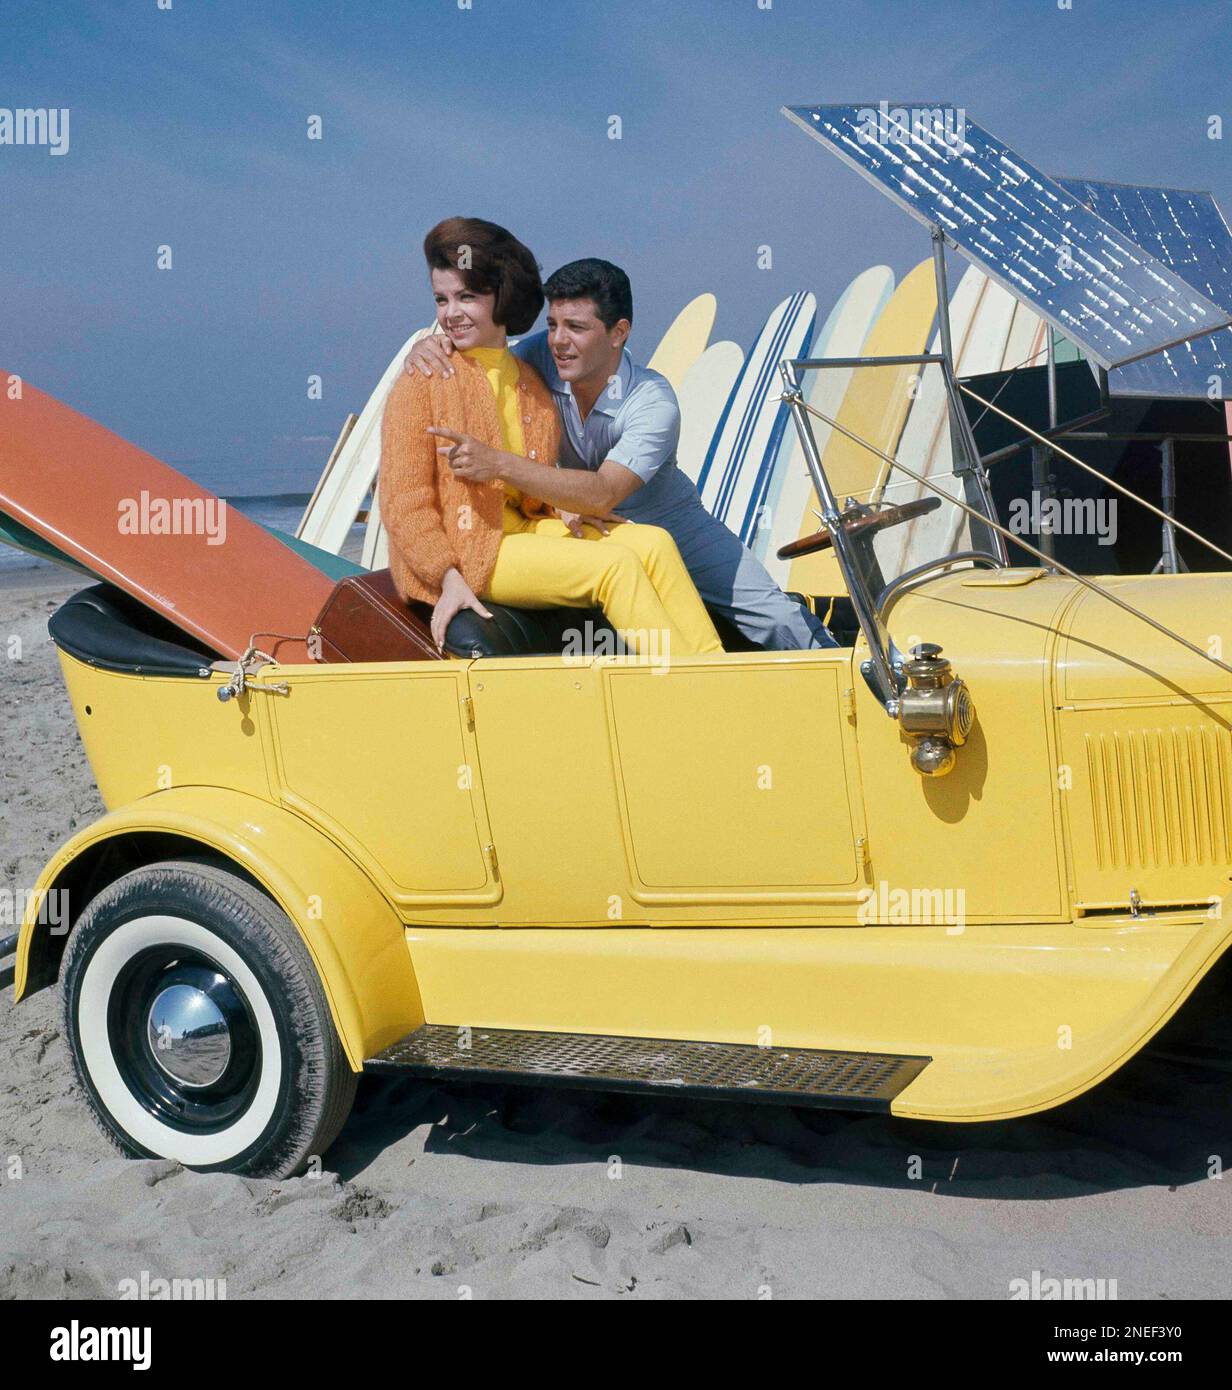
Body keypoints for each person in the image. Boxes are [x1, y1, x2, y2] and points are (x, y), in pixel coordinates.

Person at [405, 256, 837, 650]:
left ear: (619, 333)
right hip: (585, 521)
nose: (558, 340)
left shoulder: (653, 401)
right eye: (553, 324)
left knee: (774, 615)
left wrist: (498, 464)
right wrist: (433, 346)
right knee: (618, 570)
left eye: (575, 327)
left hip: (666, 520)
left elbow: (601, 494)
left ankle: (849, 680)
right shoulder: (539, 355)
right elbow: (481, 363)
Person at [380, 219, 723, 657]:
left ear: (501, 298)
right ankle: (689, 695)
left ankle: (717, 673)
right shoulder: (423, 378)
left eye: (467, 297)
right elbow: (402, 502)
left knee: (653, 542)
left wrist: (563, 509)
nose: (450, 313)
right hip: (469, 554)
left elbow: (530, 480)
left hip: (524, 533)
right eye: (441, 299)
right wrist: (446, 577)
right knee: (614, 567)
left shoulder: (530, 378)